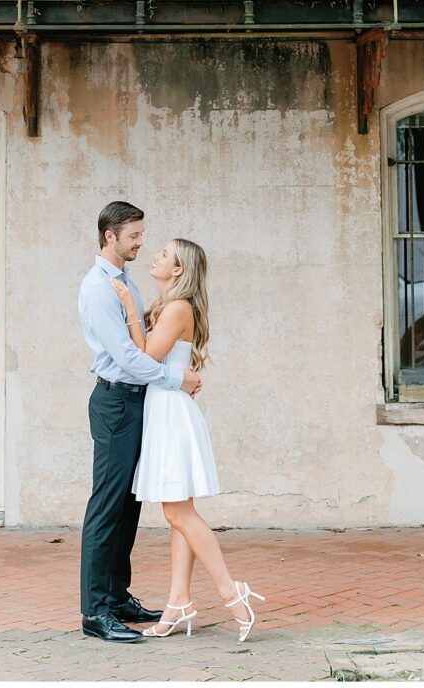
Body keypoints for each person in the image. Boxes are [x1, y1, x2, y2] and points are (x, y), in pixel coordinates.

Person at [111, 237, 265, 643]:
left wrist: (129, 308)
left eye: (164, 255)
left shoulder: (178, 307)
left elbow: (145, 357)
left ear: (178, 270)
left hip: (170, 415)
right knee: (178, 513)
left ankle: (231, 591)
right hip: (166, 409)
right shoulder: (169, 306)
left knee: (179, 514)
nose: (155, 256)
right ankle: (178, 602)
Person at [78, 200, 203, 643]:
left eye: (142, 235)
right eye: (134, 236)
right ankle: (96, 611)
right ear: (110, 236)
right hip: (116, 402)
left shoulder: (124, 280)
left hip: (136, 402)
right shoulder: (99, 287)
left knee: (128, 506)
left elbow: (143, 342)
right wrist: (176, 378)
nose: (140, 243)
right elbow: (129, 357)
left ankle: (116, 597)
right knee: (107, 506)